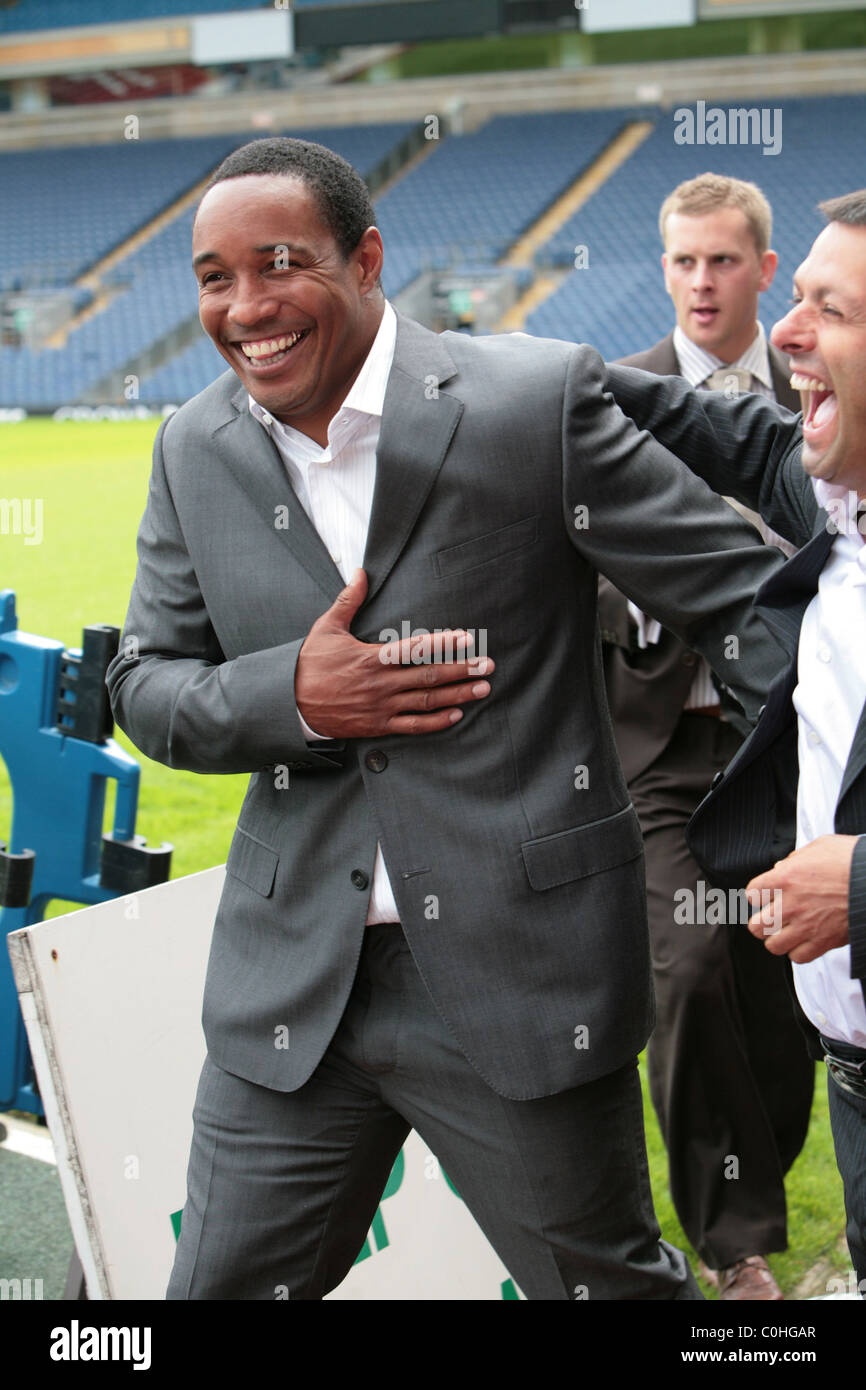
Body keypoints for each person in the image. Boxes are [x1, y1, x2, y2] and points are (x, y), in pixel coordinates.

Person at [106, 137, 789, 1301]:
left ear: (367, 258)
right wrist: (293, 697)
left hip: (521, 986)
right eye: (213, 278)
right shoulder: (192, 448)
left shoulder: (527, 404)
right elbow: (145, 683)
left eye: (278, 264)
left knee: (609, 1292)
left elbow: (741, 600)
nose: (246, 307)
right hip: (291, 1000)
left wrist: (808, 810)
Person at [606, 189, 866, 1291]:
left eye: (830, 310)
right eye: (796, 304)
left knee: (757, 1002)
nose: (791, 334)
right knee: (698, 969)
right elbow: (738, 435)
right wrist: (524, 376)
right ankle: (737, 1239)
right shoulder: (829, 488)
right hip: (673, 756)